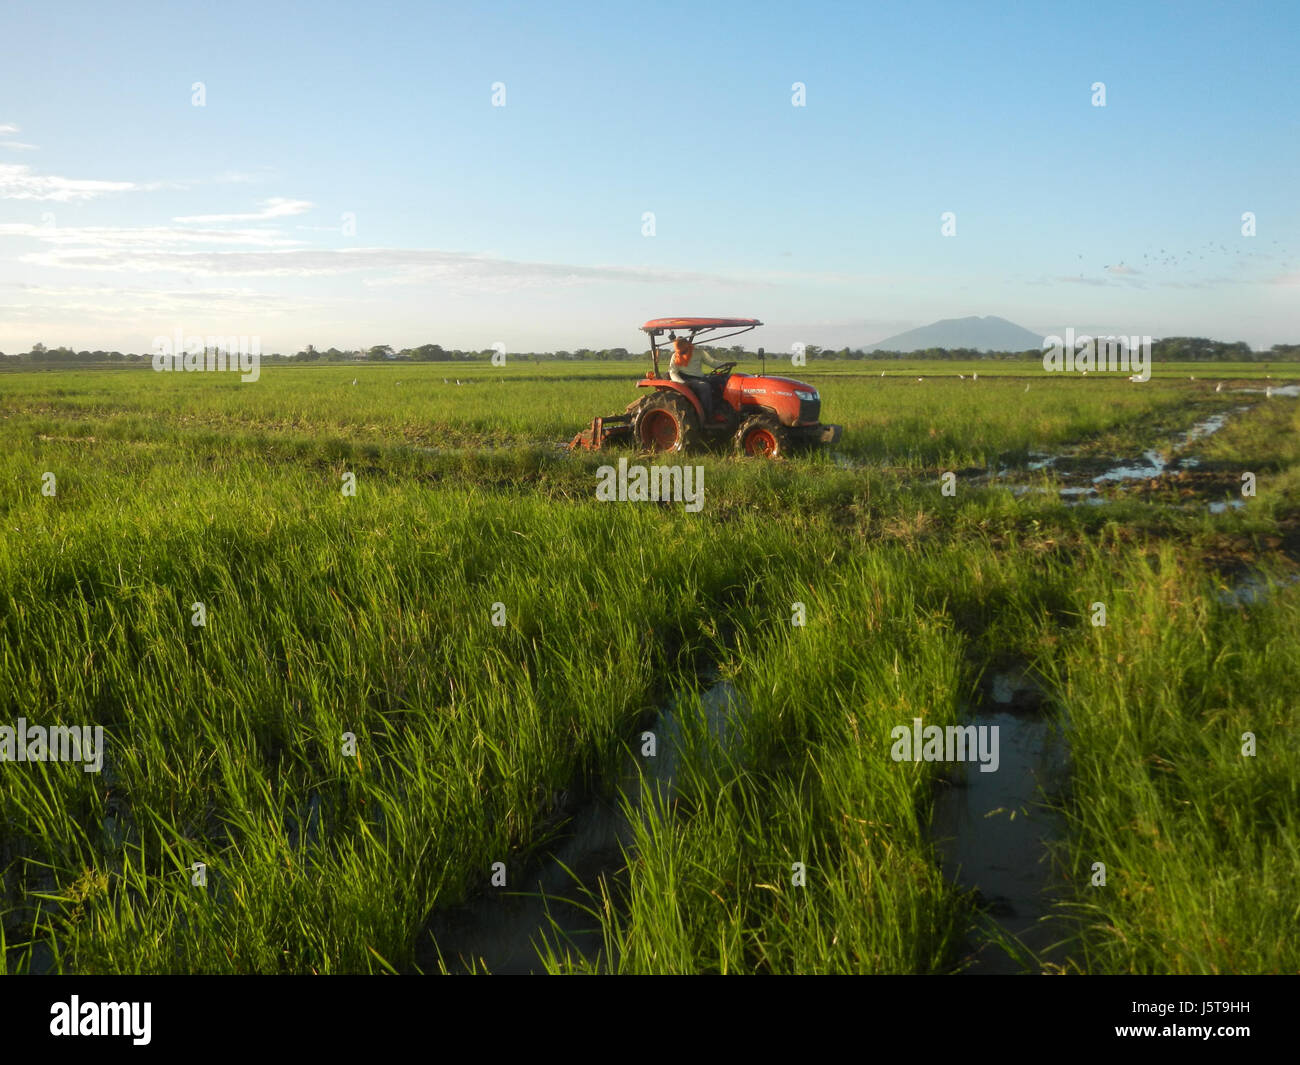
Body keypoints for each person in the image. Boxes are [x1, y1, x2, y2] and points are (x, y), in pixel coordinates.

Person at [667, 337, 725, 419]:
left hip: (700, 377)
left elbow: (712, 362)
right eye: (679, 351)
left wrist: (725, 364)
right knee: (704, 387)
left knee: (721, 380)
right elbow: (672, 372)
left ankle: (722, 408)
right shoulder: (675, 356)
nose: (680, 353)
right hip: (687, 380)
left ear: (687, 345)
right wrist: (682, 382)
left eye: (682, 350)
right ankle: (707, 415)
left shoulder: (699, 353)